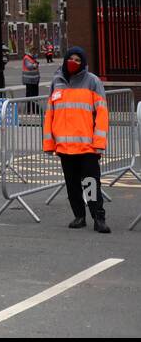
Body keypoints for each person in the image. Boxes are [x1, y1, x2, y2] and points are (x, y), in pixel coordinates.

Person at [43, 46, 110, 232]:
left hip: (87, 147)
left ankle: (98, 217)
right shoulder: (57, 81)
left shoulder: (92, 81)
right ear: (65, 60)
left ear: (84, 63)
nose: (74, 62)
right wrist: (49, 144)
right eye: (71, 58)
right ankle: (79, 216)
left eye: (78, 60)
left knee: (90, 184)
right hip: (64, 147)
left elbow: (102, 115)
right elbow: (50, 114)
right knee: (72, 186)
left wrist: (99, 143)